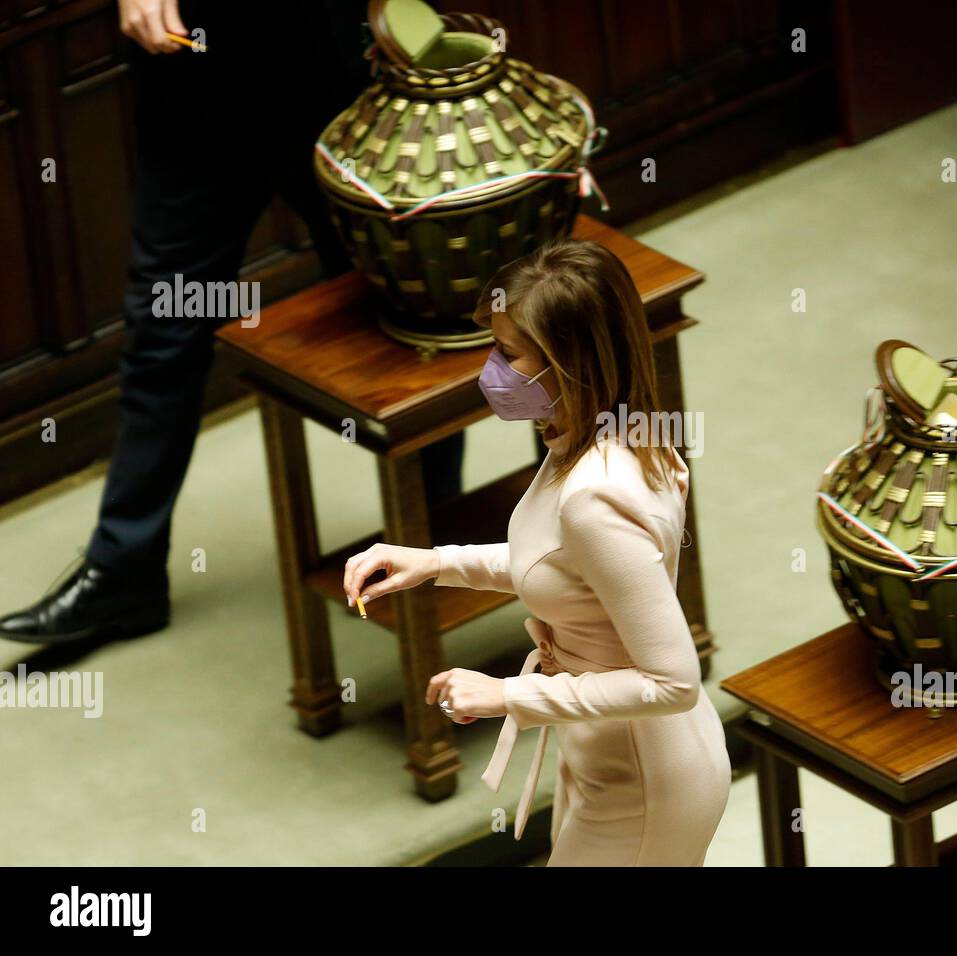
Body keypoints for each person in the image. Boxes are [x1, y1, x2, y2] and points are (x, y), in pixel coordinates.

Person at [1, 0, 474, 646]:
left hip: (330, 67)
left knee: (403, 305)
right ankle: (125, 573)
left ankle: (433, 543)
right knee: (162, 329)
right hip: (194, 75)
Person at [341, 239, 730, 866]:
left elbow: (673, 682)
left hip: (646, 779)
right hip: (608, 753)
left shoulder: (595, 495)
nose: (489, 369)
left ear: (567, 361)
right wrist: (437, 563)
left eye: (507, 352)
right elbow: (562, 571)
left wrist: (504, 698)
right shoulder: (599, 433)